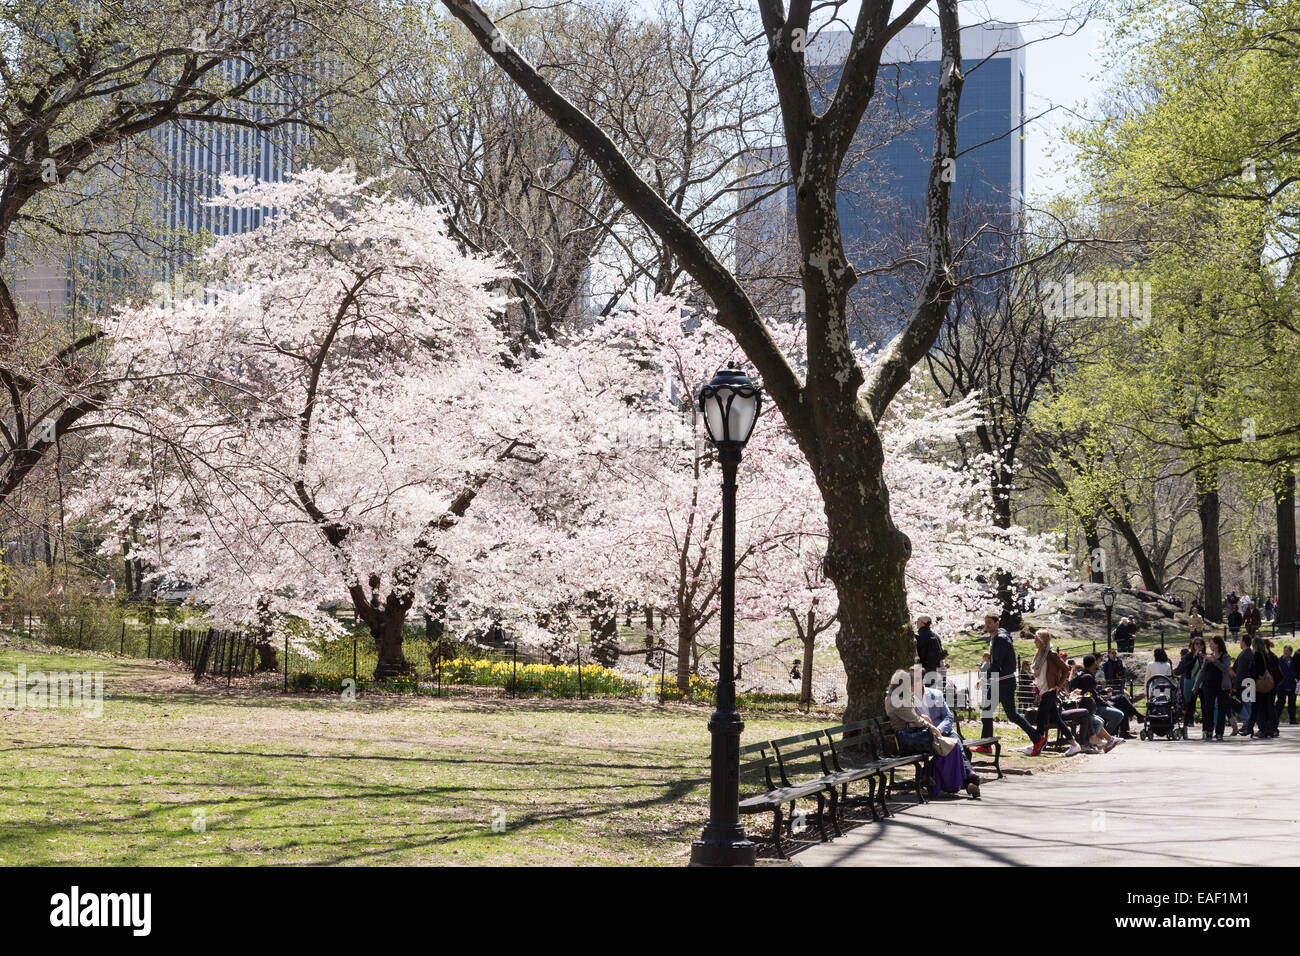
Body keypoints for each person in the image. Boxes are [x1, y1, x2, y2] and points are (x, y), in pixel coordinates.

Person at [885, 668, 980, 798]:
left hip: (915, 734)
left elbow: (917, 716)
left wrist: (931, 725)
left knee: (953, 744)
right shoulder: (897, 700)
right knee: (951, 746)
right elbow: (914, 719)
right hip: (908, 739)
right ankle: (961, 781)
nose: (912, 686)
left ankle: (937, 778)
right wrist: (933, 728)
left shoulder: (899, 697)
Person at [976, 609, 1039, 754]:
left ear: (997, 623)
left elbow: (996, 664)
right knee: (1000, 713)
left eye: (990, 623)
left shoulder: (1000, 639)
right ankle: (986, 744)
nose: (987, 626)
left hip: (1003, 682)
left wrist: (984, 678)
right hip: (1002, 681)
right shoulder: (999, 636)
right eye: (986, 623)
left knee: (994, 712)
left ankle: (1037, 738)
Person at [1026, 629, 1082, 757]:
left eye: (1036, 639)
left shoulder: (1051, 654)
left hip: (1050, 690)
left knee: (1040, 717)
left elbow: (1065, 670)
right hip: (1044, 690)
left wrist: (1058, 685)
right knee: (1056, 719)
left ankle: (1037, 744)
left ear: (1042, 640)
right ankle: (1074, 744)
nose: (1034, 641)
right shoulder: (1039, 653)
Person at [1069, 655, 1127, 747]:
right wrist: (1107, 704)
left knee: (1100, 719)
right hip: (1090, 706)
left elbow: (1091, 693)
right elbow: (1093, 696)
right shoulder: (1087, 677)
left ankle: (1106, 739)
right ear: (1093, 664)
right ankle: (1102, 740)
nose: (1096, 665)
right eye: (1095, 663)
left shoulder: (1084, 675)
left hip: (1088, 705)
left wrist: (1103, 693)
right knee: (1119, 714)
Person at [1194, 635, 1234, 741]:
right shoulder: (1208, 656)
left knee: (1222, 710)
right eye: (1210, 644)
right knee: (1208, 709)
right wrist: (1196, 686)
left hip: (1222, 687)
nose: (1210, 646)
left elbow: (1225, 668)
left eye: (1212, 643)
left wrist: (1214, 660)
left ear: (1217, 644)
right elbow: (1202, 672)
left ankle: (1219, 732)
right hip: (1209, 686)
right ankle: (1209, 731)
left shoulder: (1225, 656)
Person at [1249, 636, 1283, 739]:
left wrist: (1253, 676)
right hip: (1270, 684)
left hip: (1262, 685)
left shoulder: (1259, 655)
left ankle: (1262, 728)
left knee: (1261, 707)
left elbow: (1258, 670)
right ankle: (1271, 728)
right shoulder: (1269, 655)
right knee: (1269, 707)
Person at [1233, 634, 1255, 736]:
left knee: (1241, 705)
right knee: (1248, 705)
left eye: (1240, 640)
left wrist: (1236, 686)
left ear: (1244, 642)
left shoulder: (1243, 655)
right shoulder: (1251, 653)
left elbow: (1240, 672)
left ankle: (1247, 724)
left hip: (1244, 683)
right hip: (1251, 682)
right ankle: (1249, 725)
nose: (1239, 642)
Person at [1278, 646, 1297, 726]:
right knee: (1280, 702)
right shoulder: (1279, 660)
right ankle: (1275, 718)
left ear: (1291, 652)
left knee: (1292, 703)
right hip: (1282, 685)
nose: (1285, 652)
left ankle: (1292, 719)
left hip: (1292, 684)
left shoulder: (1294, 661)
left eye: (1287, 651)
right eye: (1284, 650)